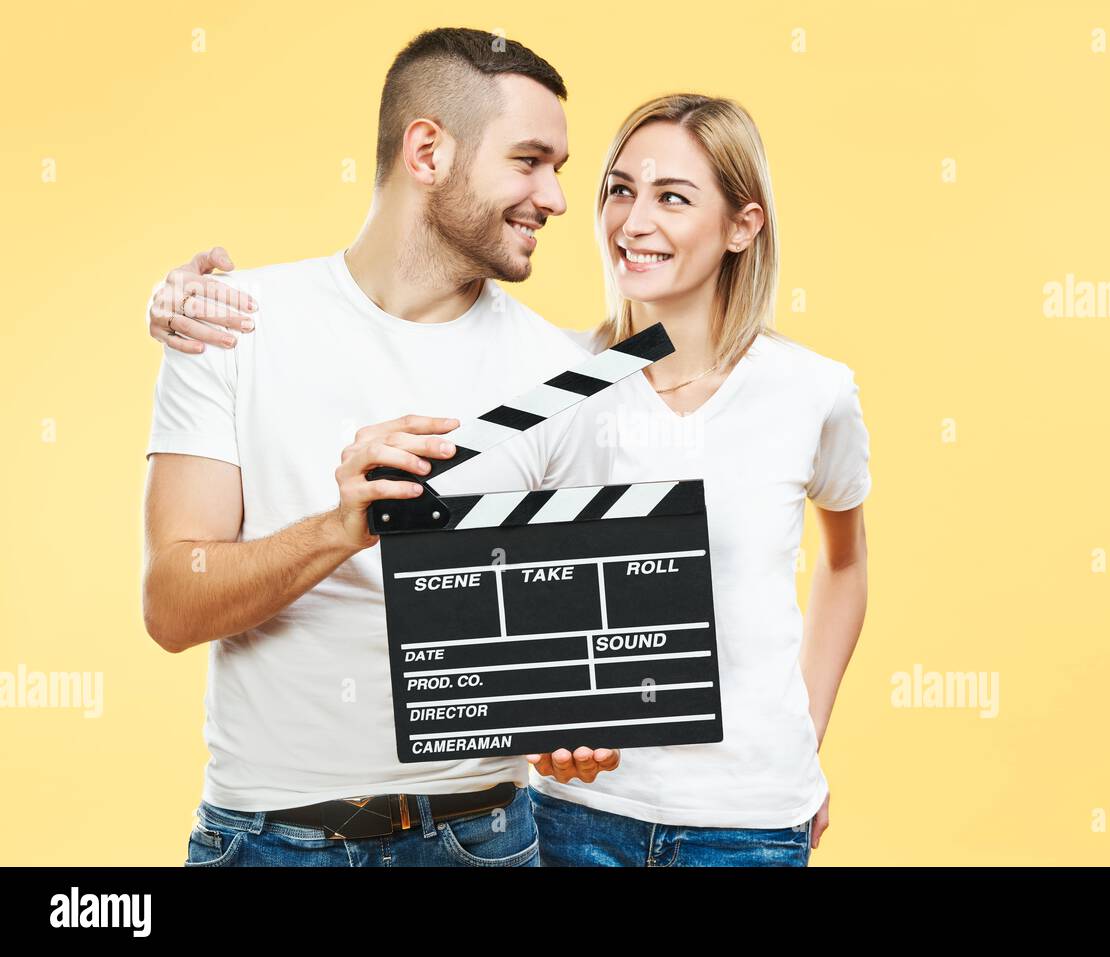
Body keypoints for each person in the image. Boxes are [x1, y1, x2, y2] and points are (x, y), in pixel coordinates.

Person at [149, 93, 871, 867]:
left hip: (750, 811)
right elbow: (520, 605)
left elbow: (845, 561)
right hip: (571, 811)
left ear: (743, 225)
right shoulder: (552, 378)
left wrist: (804, 739)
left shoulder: (812, 390)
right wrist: (178, 300)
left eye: (672, 197)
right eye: (618, 190)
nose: (632, 221)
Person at [141, 27, 619, 868]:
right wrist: (338, 528)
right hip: (265, 833)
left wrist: (573, 725)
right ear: (428, 150)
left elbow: (567, 650)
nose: (556, 198)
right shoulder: (231, 320)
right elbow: (173, 605)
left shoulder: (564, 374)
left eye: (561, 169)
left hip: (480, 833)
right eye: (530, 161)